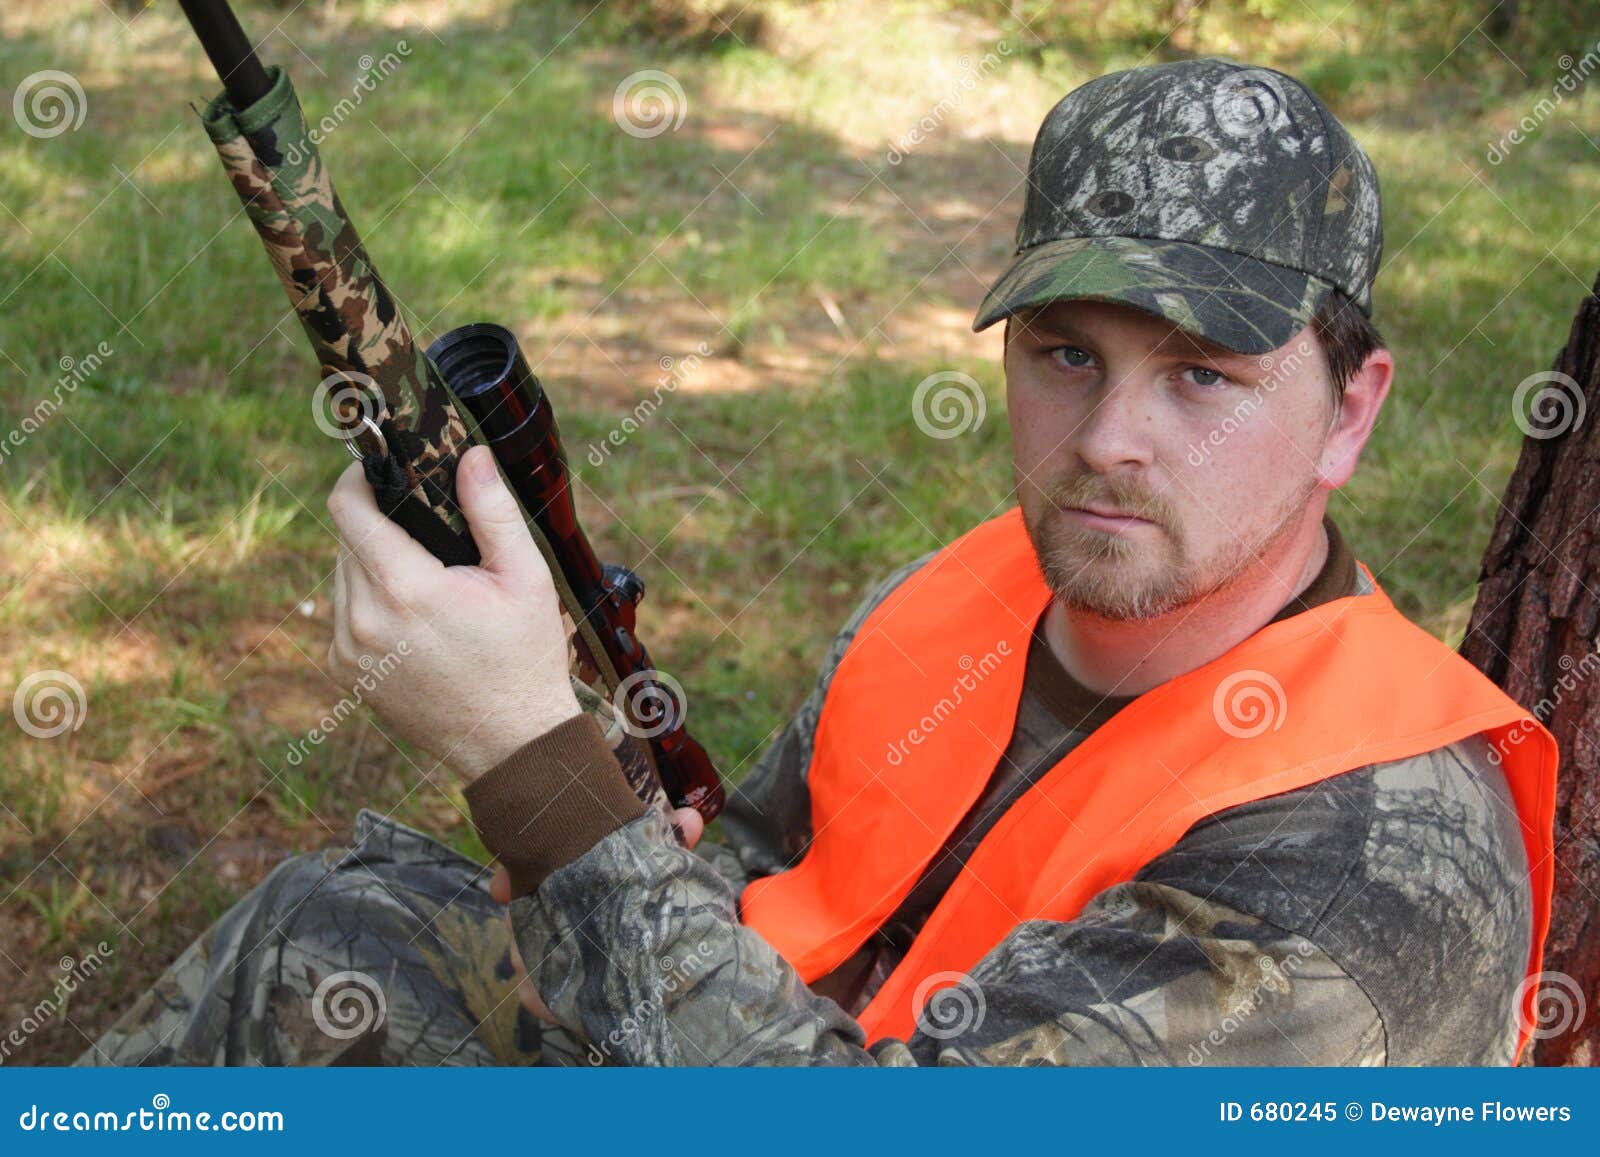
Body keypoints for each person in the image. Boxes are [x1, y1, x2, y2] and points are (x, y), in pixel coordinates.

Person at [78, 57, 1557, 1068]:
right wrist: (621, 843)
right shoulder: (957, 601)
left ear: (1348, 412)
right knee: (331, 932)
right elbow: (748, 876)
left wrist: (535, 771)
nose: (1110, 441)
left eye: (1203, 378)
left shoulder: (1371, 868)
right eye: (1065, 354)